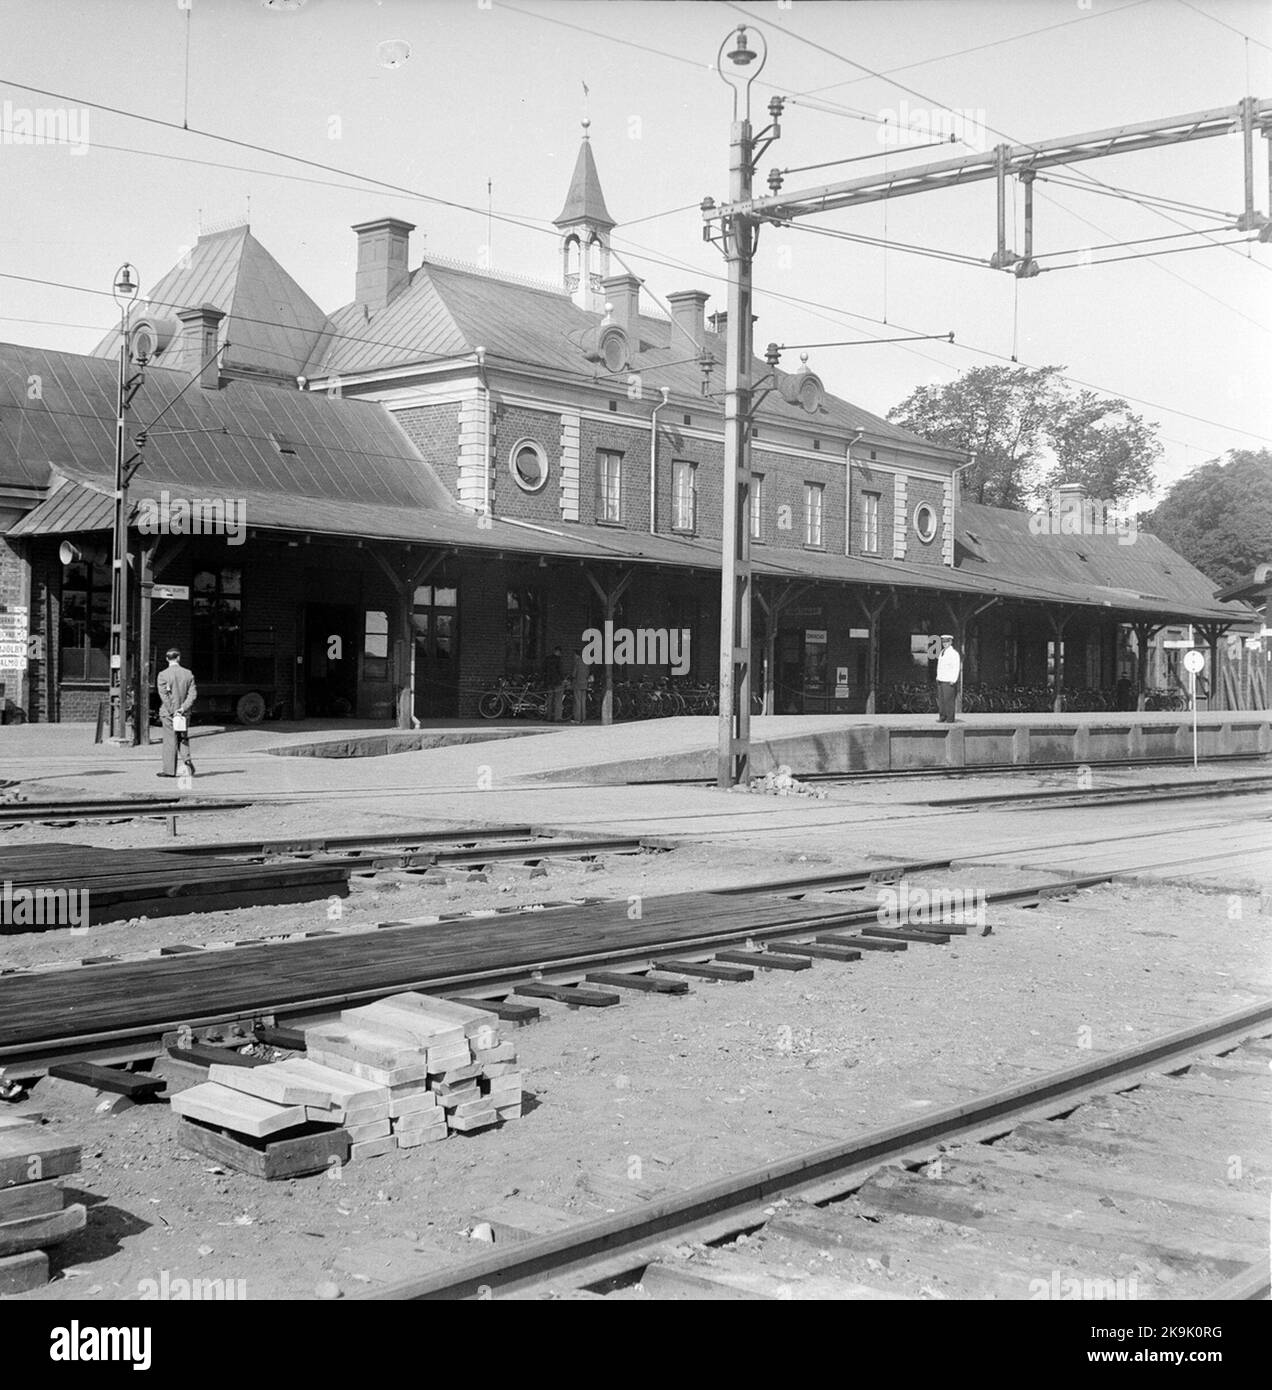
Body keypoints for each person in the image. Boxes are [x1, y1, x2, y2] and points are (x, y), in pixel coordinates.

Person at [157, 647, 197, 777]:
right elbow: (192, 694)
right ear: (179, 658)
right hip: (184, 713)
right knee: (183, 737)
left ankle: (169, 770)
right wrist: (182, 708)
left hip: (168, 714)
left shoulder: (163, 675)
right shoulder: (188, 674)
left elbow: (164, 695)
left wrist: (173, 711)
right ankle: (187, 760)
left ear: (167, 659)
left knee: (170, 740)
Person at [935, 633, 960, 723]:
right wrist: (938, 677)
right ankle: (942, 716)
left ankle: (950, 718)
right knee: (941, 700)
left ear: (951, 642)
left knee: (948, 700)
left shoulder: (954, 653)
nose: (945, 643)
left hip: (948, 680)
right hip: (941, 679)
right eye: (943, 642)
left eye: (947, 642)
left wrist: (954, 679)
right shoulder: (942, 652)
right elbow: (940, 666)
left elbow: (956, 667)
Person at [543, 645, 565, 722]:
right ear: (559, 652)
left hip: (549, 682)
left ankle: (548, 716)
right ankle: (557, 717)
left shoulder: (547, 659)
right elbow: (560, 671)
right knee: (558, 700)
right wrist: (563, 679)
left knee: (549, 700)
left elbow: (544, 670)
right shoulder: (558, 660)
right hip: (557, 682)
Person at [568, 646, 589, 724]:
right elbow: (587, 673)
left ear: (577, 655)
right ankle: (583, 718)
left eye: (574, 655)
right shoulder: (586, 663)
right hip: (584, 684)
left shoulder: (577, 662)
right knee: (583, 702)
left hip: (577, 684)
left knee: (577, 702)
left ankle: (577, 719)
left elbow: (574, 674)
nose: (573, 656)